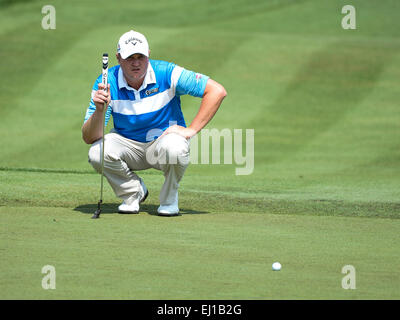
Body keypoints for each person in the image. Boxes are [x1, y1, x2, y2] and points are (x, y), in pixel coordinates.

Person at [82, 30, 227, 216]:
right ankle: (133, 192)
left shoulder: (167, 72)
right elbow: (89, 137)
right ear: (118, 58)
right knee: (96, 152)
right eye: (129, 58)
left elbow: (217, 91)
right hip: (128, 146)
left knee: (175, 146)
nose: (136, 63)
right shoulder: (107, 81)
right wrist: (100, 110)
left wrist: (191, 130)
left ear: (148, 54)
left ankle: (169, 199)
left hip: (163, 143)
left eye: (140, 56)